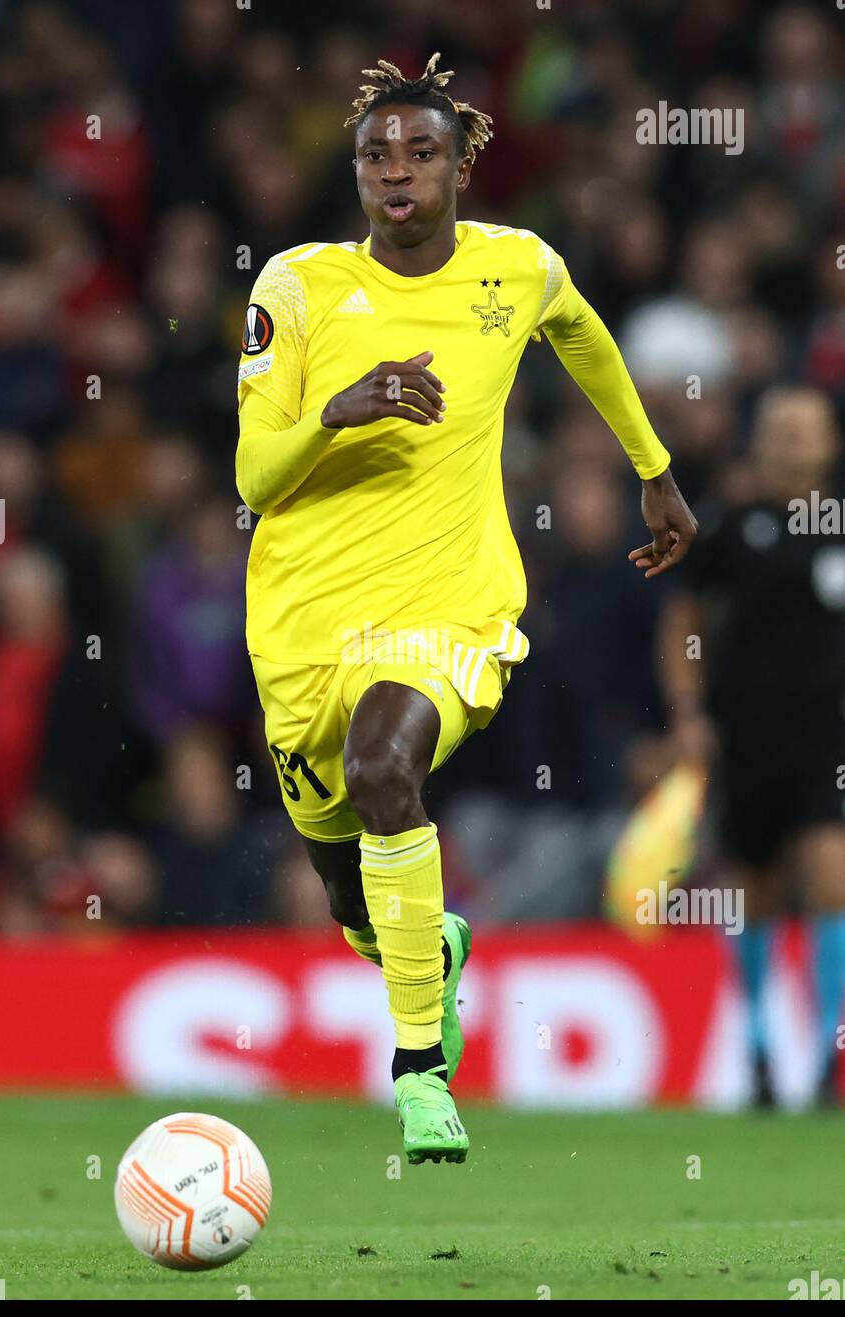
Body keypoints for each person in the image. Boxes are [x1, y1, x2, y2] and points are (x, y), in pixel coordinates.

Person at [235, 54, 696, 1163]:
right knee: (350, 896)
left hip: (451, 600)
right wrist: (337, 410)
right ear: (355, 173)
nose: (397, 172)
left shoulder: (516, 269)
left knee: (386, 766)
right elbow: (254, 478)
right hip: (304, 620)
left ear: (461, 167)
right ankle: (423, 945)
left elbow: (582, 332)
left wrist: (653, 466)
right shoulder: (293, 287)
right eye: (375, 155)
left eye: (421, 152)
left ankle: (418, 1074)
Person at [659, 386, 845, 1106]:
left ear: (829, 442)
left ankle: (831, 1057)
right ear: (757, 439)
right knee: (755, 894)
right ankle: (762, 1054)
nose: (792, 441)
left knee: (831, 877)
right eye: (778, 428)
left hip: (828, 732)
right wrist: (686, 711)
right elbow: (682, 620)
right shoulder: (732, 529)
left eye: (805, 429)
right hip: (746, 731)